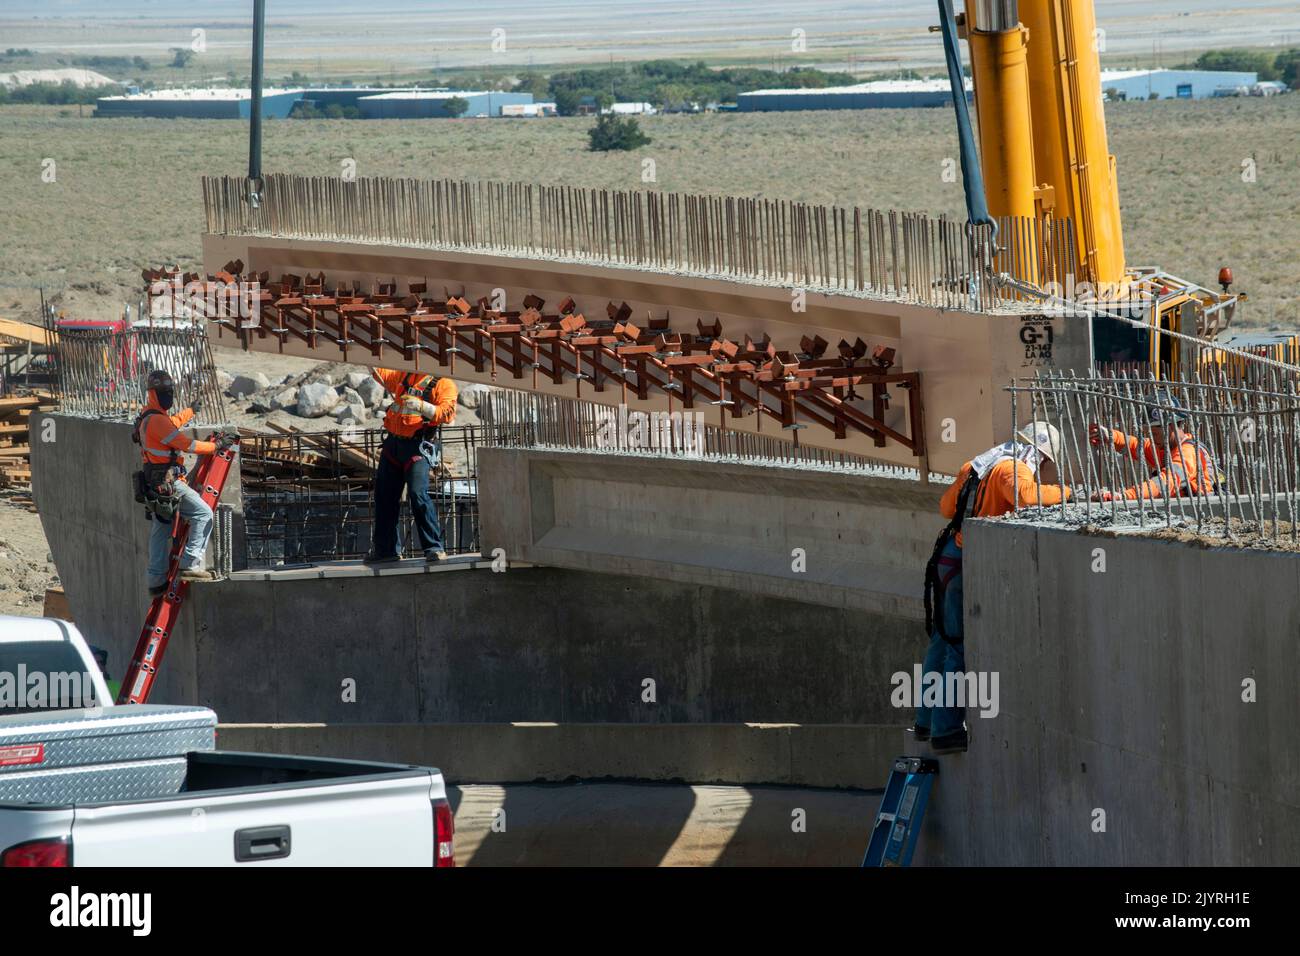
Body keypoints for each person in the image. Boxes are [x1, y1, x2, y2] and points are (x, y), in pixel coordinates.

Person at [915, 421, 1071, 755]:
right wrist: (1067, 493)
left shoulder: (978, 464)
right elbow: (1027, 497)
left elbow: (945, 507)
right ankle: (945, 730)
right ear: (1040, 454)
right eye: (1045, 463)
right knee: (957, 646)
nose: (1043, 469)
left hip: (946, 556)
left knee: (941, 642)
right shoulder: (1011, 468)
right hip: (962, 560)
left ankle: (925, 722)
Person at [133, 370, 218, 596]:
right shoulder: (157, 421)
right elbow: (184, 444)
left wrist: (191, 411)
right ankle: (190, 564)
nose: (168, 396)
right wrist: (215, 448)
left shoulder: (148, 416)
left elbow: (171, 423)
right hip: (169, 483)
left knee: (161, 531)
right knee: (203, 514)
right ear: (153, 393)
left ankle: (156, 580)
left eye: (170, 392)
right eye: (164, 392)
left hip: (155, 482)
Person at [365, 369, 458, 564]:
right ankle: (386, 551)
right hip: (393, 445)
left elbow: (447, 414)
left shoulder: (443, 383)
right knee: (384, 496)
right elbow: (381, 373)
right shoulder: (404, 375)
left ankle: (434, 547)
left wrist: (424, 407)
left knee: (418, 494)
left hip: (417, 447)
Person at [1088, 389, 1218, 502]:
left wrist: (1124, 496)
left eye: (1154, 433)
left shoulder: (1187, 452)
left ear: (1170, 427)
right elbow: (1136, 446)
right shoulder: (1166, 447)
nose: (1152, 438)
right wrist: (1109, 436)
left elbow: (1166, 481)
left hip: (1197, 510)